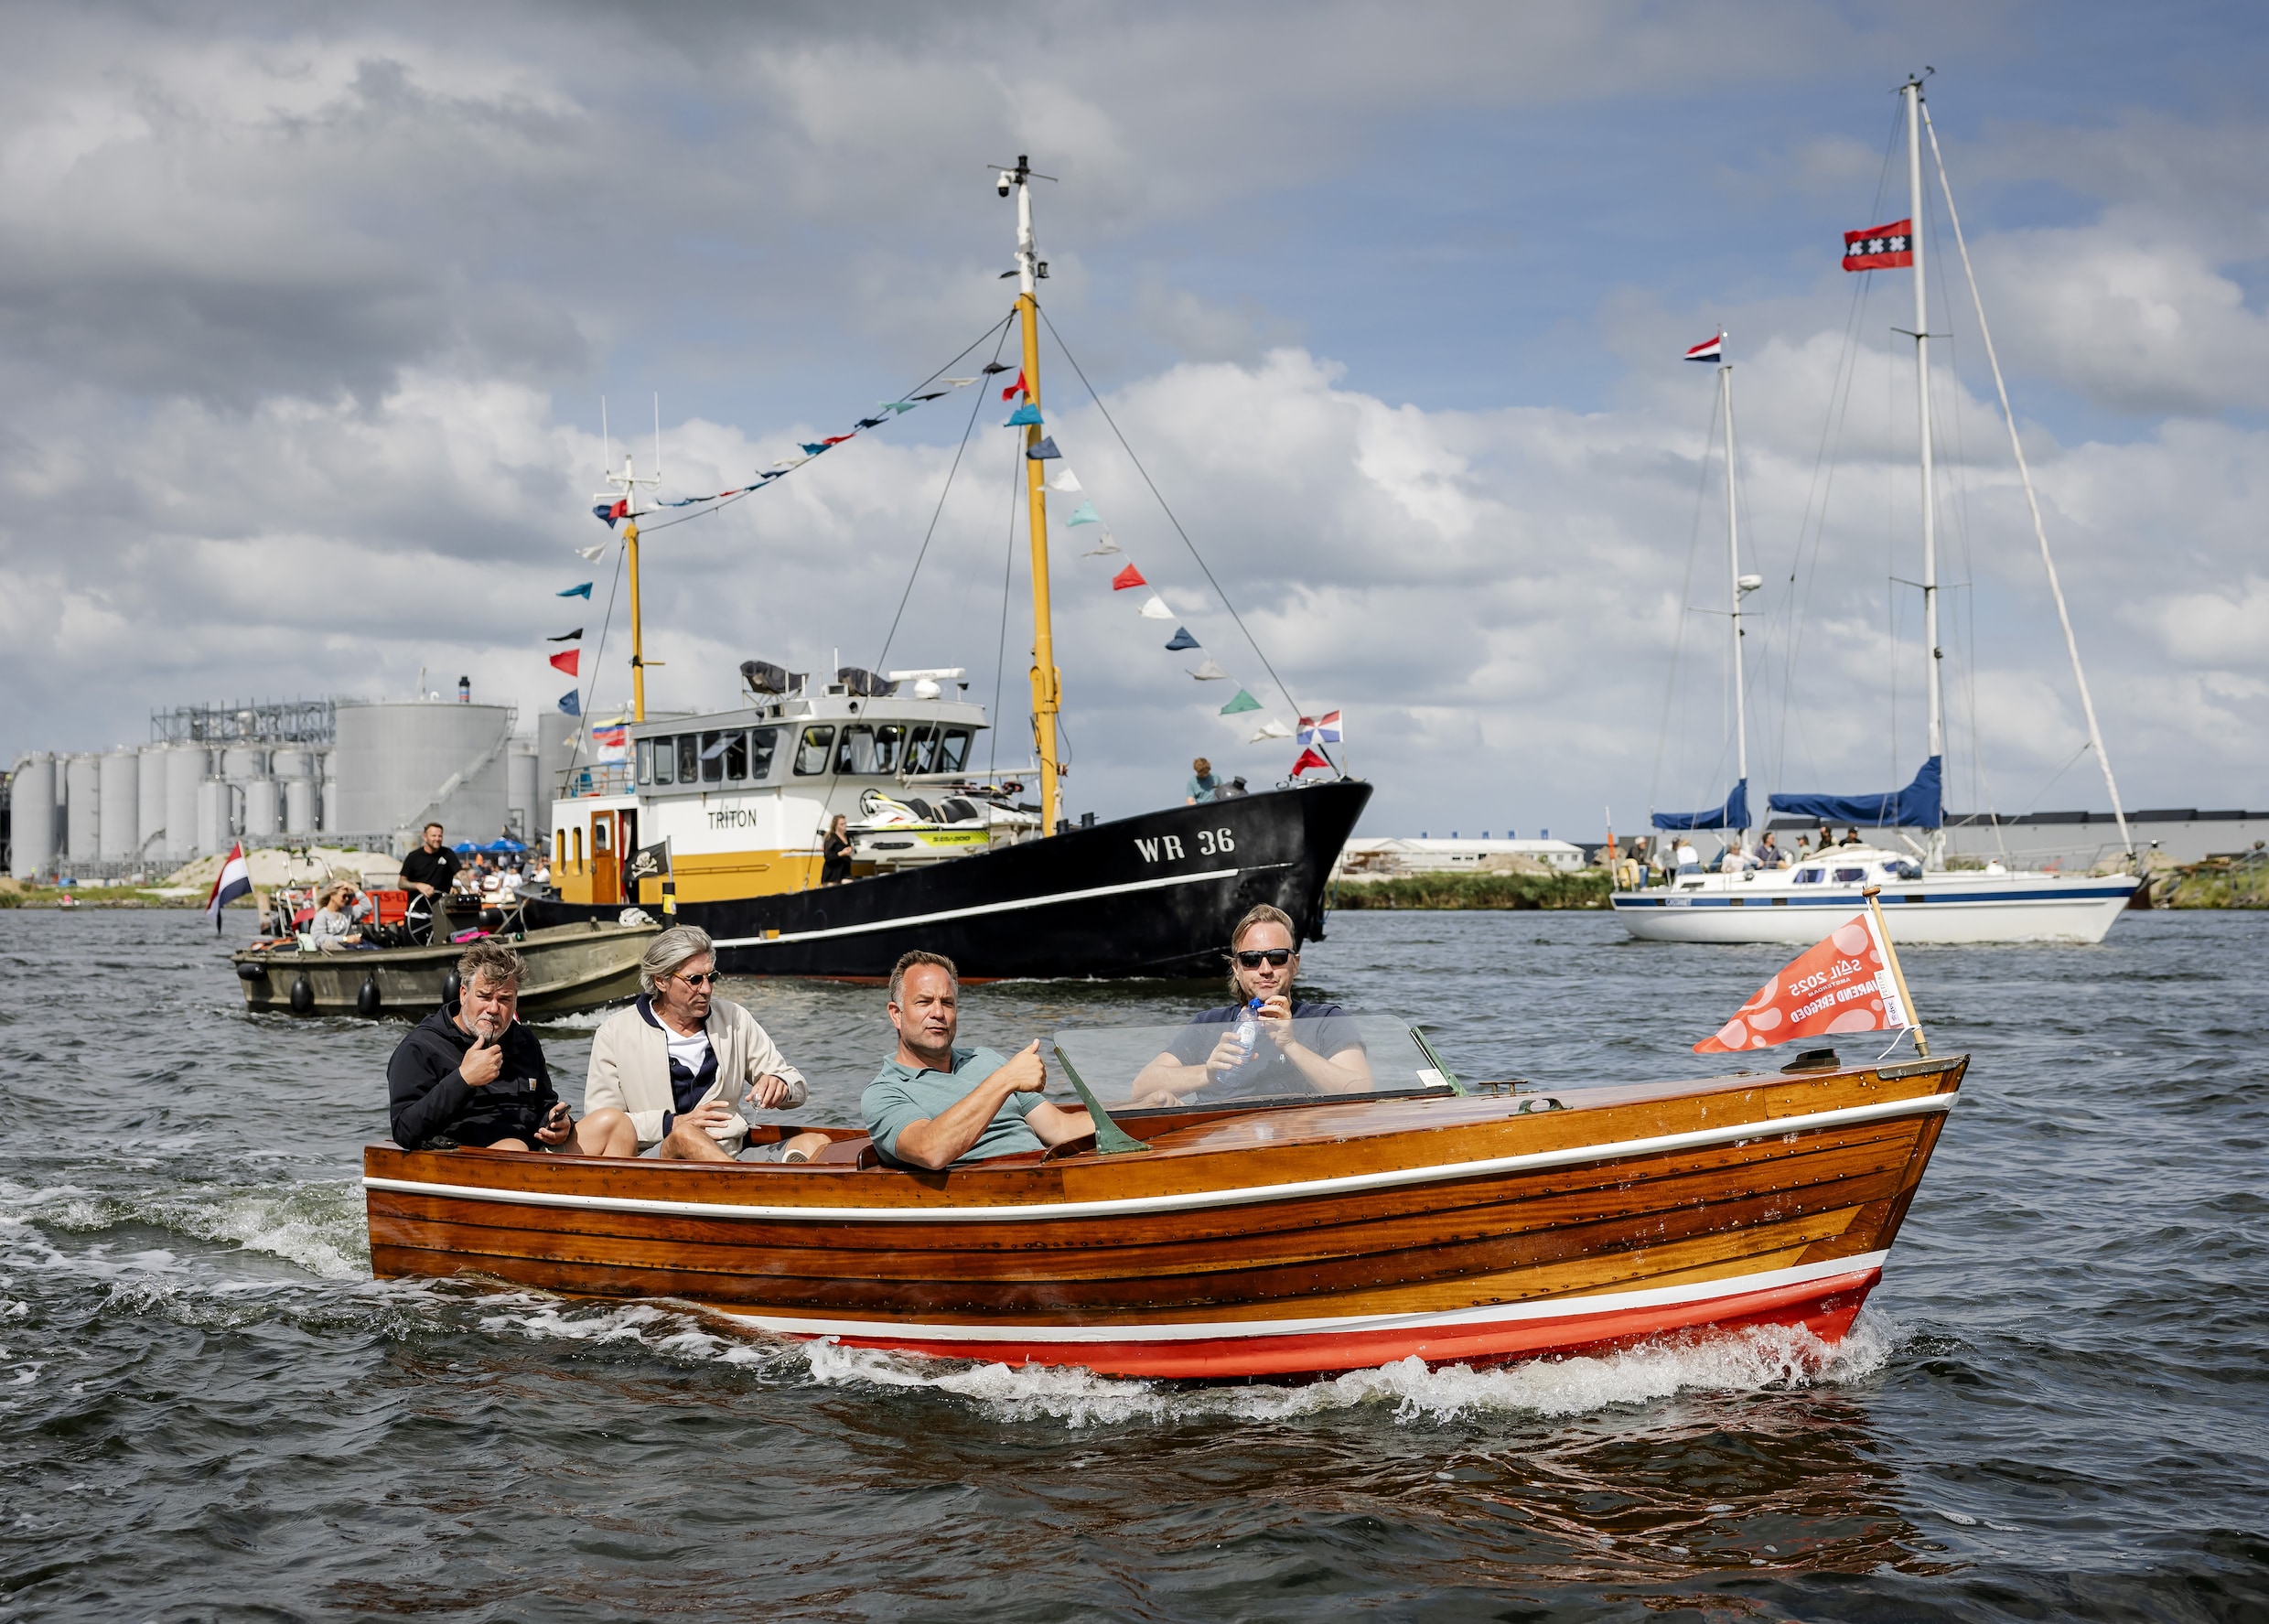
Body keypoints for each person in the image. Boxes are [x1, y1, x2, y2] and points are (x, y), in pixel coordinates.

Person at [586, 925, 830, 1163]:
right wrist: (671, 1124)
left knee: (817, 1143)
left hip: (733, 1154)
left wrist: (781, 1084)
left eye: (711, 977)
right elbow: (600, 1125)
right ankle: (748, 1183)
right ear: (661, 981)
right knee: (686, 1136)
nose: (706, 989)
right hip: (657, 1161)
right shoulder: (614, 1033)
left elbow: (797, 1085)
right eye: (694, 980)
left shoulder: (735, 1018)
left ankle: (751, 1181)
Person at [388, 939, 636, 1155]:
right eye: (484, 996)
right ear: (464, 994)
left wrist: (558, 1124)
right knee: (513, 1147)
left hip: (530, 1156)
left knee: (617, 1124)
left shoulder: (524, 1041)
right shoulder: (421, 1047)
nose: (493, 1008)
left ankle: (607, 1196)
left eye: (504, 999)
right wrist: (463, 1079)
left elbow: (544, 1105)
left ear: (515, 1001)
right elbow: (404, 1131)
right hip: (462, 1161)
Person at [861, 951, 1093, 1169]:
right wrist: (1005, 1080)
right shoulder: (884, 1092)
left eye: (947, 1003)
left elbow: (1059, 1127)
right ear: (896, 1014)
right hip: (985, 1188)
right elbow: (930, 1151)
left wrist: (1116, 1115)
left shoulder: (985, 1059)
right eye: (924, 1002)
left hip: (1047, 1173)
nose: (938, 1013)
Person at [1131, 904, 1372, 1105]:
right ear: (1236, 968)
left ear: (1295, 964)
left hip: (1297, 1135)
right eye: (1251, 959)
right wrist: (1209, 1072)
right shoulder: (1209, 1023)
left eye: (1277, 957)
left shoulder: (1326, 1020)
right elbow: (1141, 1087)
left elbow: (1362, 1092)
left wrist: (1291, 1045)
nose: (1265, 969)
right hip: (1220, 1138)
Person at [399, 822, 460, 903]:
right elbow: (401, 883)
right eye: (434, 836)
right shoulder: (413, 857)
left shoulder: (448, 854)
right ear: (425, 837)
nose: (437, 839)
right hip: (418, 908)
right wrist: (418, 885)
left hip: (441, 907)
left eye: (440, 836)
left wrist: (470, 888)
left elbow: (461, 874)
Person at [308, 882, 365, 951]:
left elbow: (367, 907)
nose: (347, 899)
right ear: (332, 895)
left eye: (348, 896)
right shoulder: (321, 915)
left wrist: (354, 889)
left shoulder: (348, 911)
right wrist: (344, 939)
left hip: (351, 949)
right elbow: (319, 938)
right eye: (344, 896)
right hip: (332, 953)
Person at [820, 813, 853, 886]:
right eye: (842, 824)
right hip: (833, 872)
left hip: (844, 871)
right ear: (836, 825)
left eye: (845, 823)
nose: (844, 826)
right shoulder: (831, 837)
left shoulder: (847, 837)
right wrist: (841, 853)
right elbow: (827, 856)